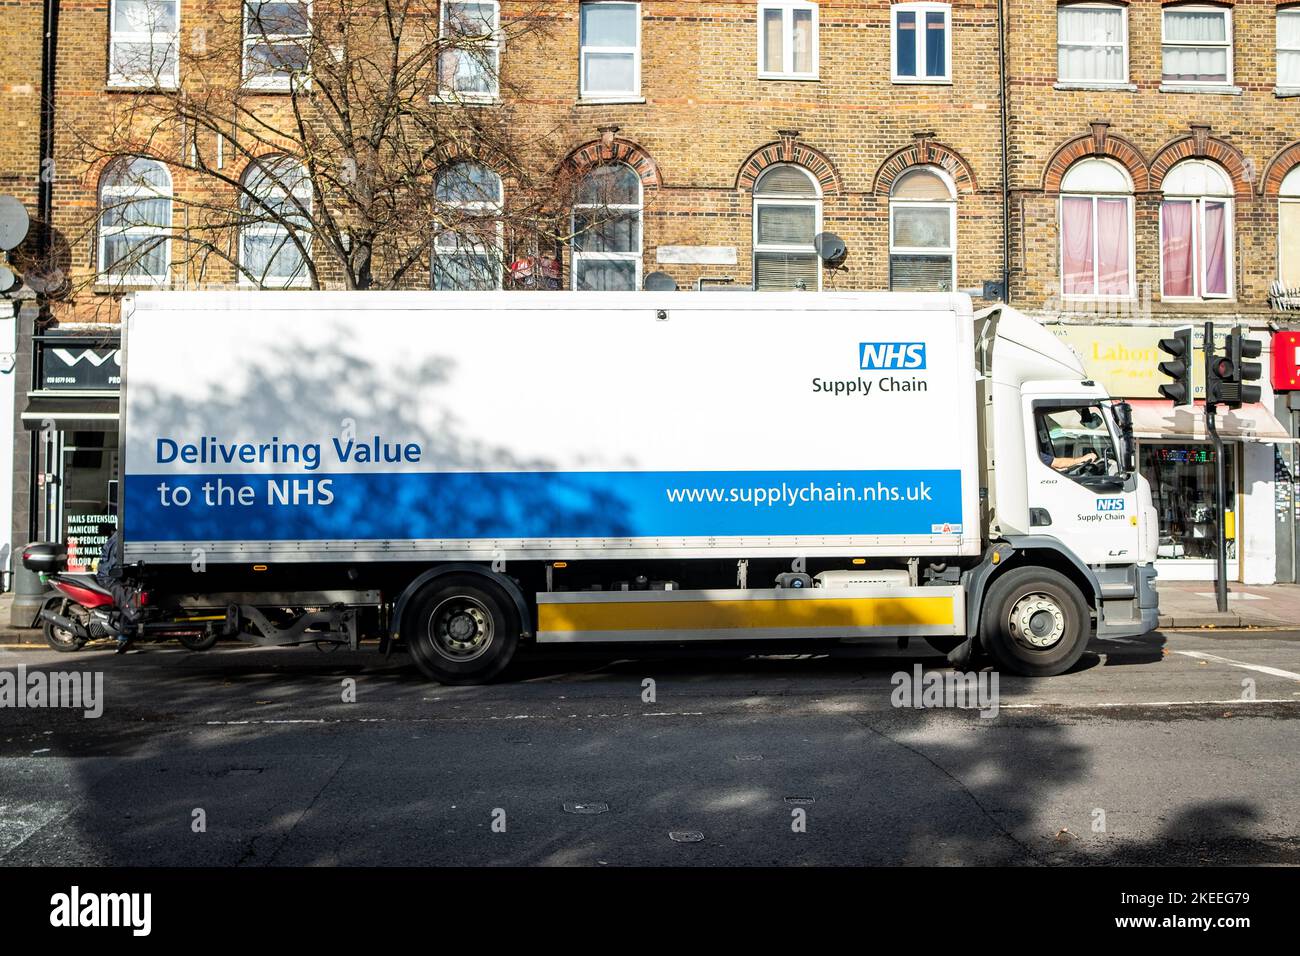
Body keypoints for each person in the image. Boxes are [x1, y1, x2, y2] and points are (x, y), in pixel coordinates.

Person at [95, 532, 138, 654]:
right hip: (109, 578)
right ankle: (123, 639)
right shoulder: (119, 539)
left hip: (110, 575)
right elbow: (116, 564)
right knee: (128, 602)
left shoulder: (119, 536)